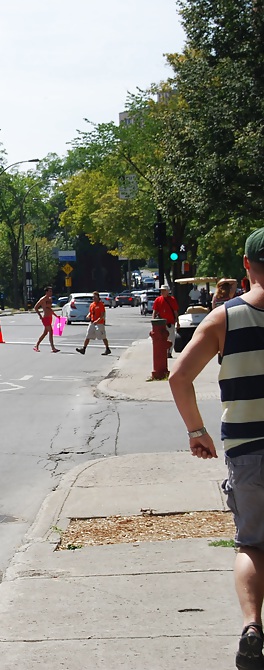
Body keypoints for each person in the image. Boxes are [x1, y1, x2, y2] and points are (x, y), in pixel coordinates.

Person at [168, 227, 264, 670]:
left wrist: (196, 431)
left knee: (251, 545)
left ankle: (252, 628)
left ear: (246, 266)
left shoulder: (225, 317)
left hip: (247, 448)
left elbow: (179, 377)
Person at [75, 291, 112, 356]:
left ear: (98, 297)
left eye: (95, 297)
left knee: (103, 337)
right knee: (88, 336)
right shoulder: (92, 304)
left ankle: (107, 349)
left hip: (99, 324)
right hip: (92, 323)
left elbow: (102, 315)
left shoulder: (101, 305)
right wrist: (88, 315)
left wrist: (97, 321)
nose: (93, 298)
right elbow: (91, 312)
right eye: (93, 297)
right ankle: (83, 349)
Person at [153, 284, 180, 358]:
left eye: (164, 290)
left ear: (167, 291)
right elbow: (155, 311)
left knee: (171, 338)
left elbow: (175, 312)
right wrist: (153, 321)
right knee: (162, 338)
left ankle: (169, 352)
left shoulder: (172, 300)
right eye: (161, 290)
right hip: (161, 323)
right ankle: (163, 352)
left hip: (170, 323)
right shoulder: (158, 300)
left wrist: (177, 322)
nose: (162, 292)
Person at [33, 286, 60, 353]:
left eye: (51, 291)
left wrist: (56, 316)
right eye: (50, 291)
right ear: (46, 292)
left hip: (50, 317)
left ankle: (36, 345)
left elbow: (49, 309)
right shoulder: (43, 299)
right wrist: (40, 315)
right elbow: (36, 307)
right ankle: (53, 348)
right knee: (51, 331)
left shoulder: (50, 299)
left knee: (45, 333)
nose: (51, 293)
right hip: (45, 318)